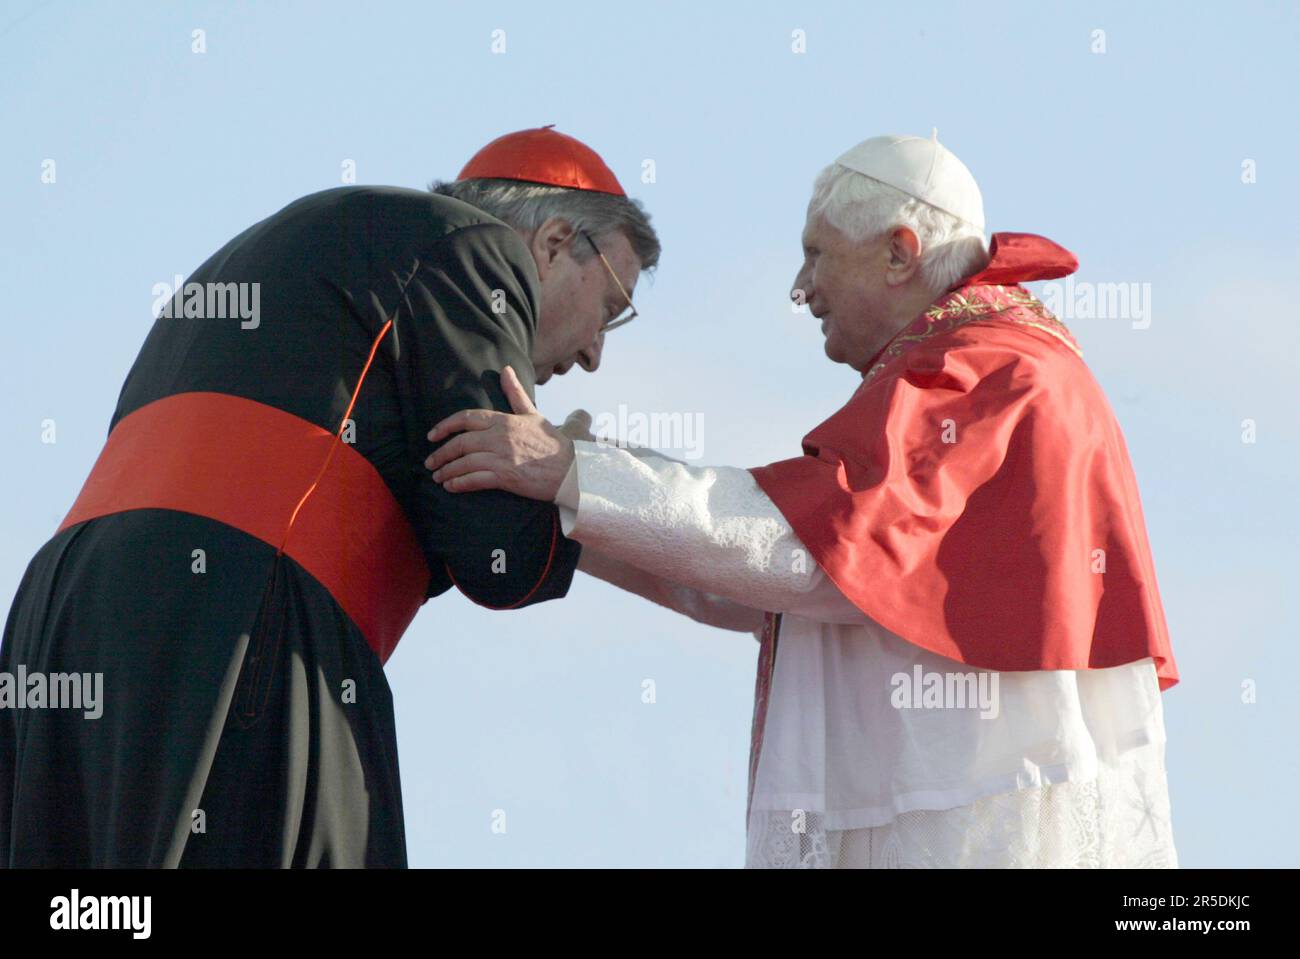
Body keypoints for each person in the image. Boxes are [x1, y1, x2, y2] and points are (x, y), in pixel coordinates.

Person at [425, 133, 1180, 868]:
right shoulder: (972, 362)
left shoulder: (993, 371)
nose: (800, 287)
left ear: (899, 251)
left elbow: (806, 553)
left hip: (966, 818)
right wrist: (567, 489)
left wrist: (569, 471)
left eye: (817, 254)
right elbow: (772, 583)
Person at [0, 126, 659, 867]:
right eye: (613, 304)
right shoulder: (479, 250)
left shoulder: (279, 247)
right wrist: (571, 467)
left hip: (65, 617)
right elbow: (498, 554)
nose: (597, 354)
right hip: (247, 616)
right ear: (553, 242)